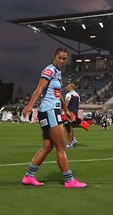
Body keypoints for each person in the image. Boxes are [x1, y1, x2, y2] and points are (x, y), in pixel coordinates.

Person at [21, 47, 87, 187]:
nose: (62, 61)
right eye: (60, 58)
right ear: (54, 57)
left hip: (50, 110)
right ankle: (69, 180)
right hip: (50, 111)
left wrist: (66, 109)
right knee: (61, 146)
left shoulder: (57, 73)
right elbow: (39, 89)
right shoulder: (49, 70)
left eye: (64, 59)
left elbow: (57, 94)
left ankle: (28, 176)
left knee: (47, 146)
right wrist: (30, 105)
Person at [63, 82, 82, 148]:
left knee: (68, 127)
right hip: (74, 113)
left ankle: (70, 143)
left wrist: (63, 112)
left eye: (68, 86)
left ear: (70, 87)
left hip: (69, 113)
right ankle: (73, 139)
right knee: (68, 126)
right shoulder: (77, 95)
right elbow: (78, 105)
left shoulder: (68, 95)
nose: (66, 87)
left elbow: (66, 104)